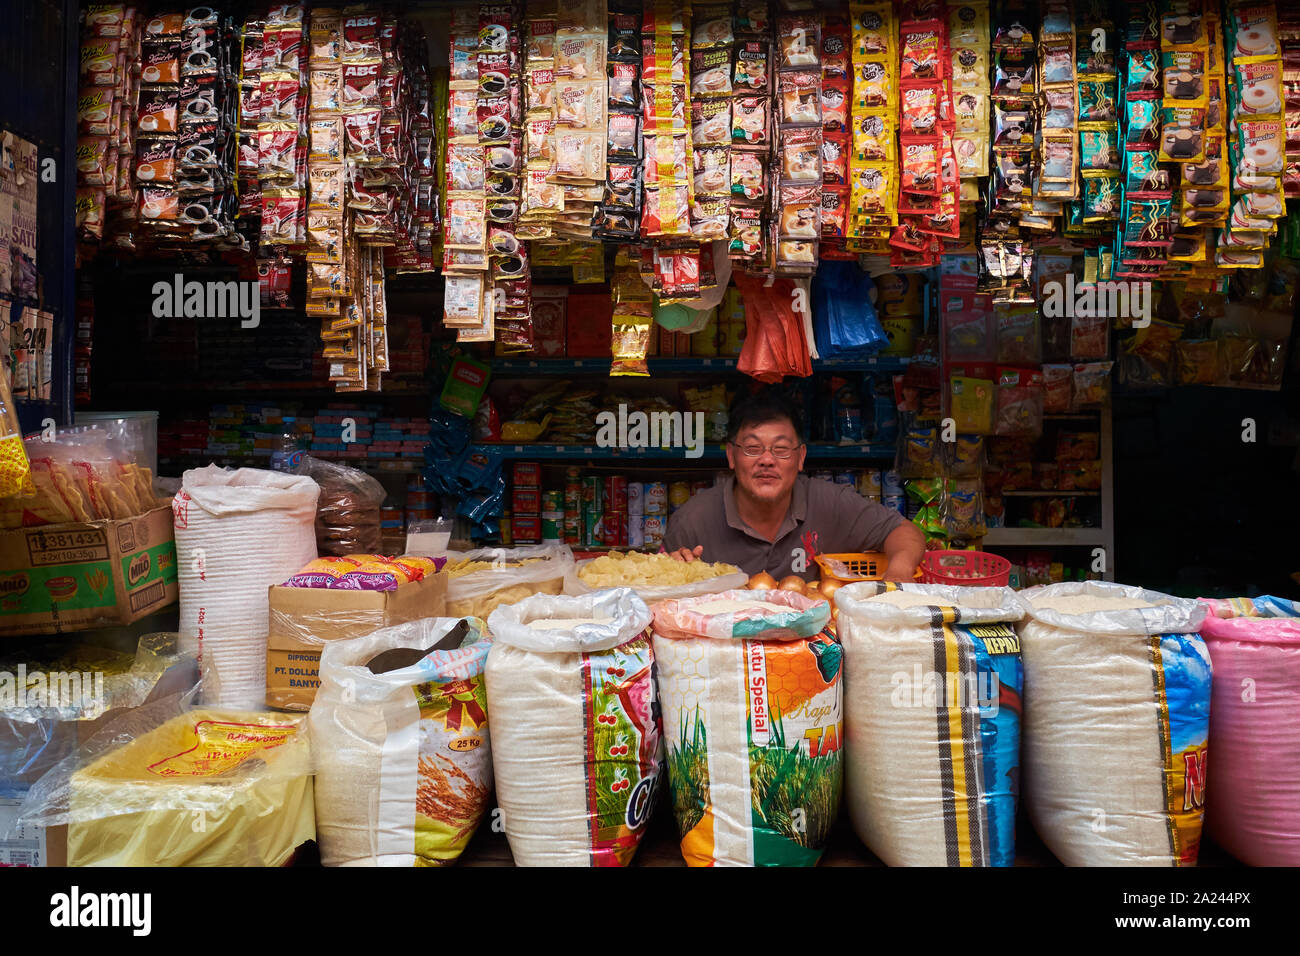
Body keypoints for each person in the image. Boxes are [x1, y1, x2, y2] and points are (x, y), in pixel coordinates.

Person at [664, 388, 925, 582]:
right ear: (731, 456)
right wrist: (673, 571)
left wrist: (899, 572)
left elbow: (904, 532)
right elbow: (655, 594)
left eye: (780, 449)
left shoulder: (829, 502)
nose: (767, 460)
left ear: (800, 458)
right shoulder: (692, 521)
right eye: (753, 448)